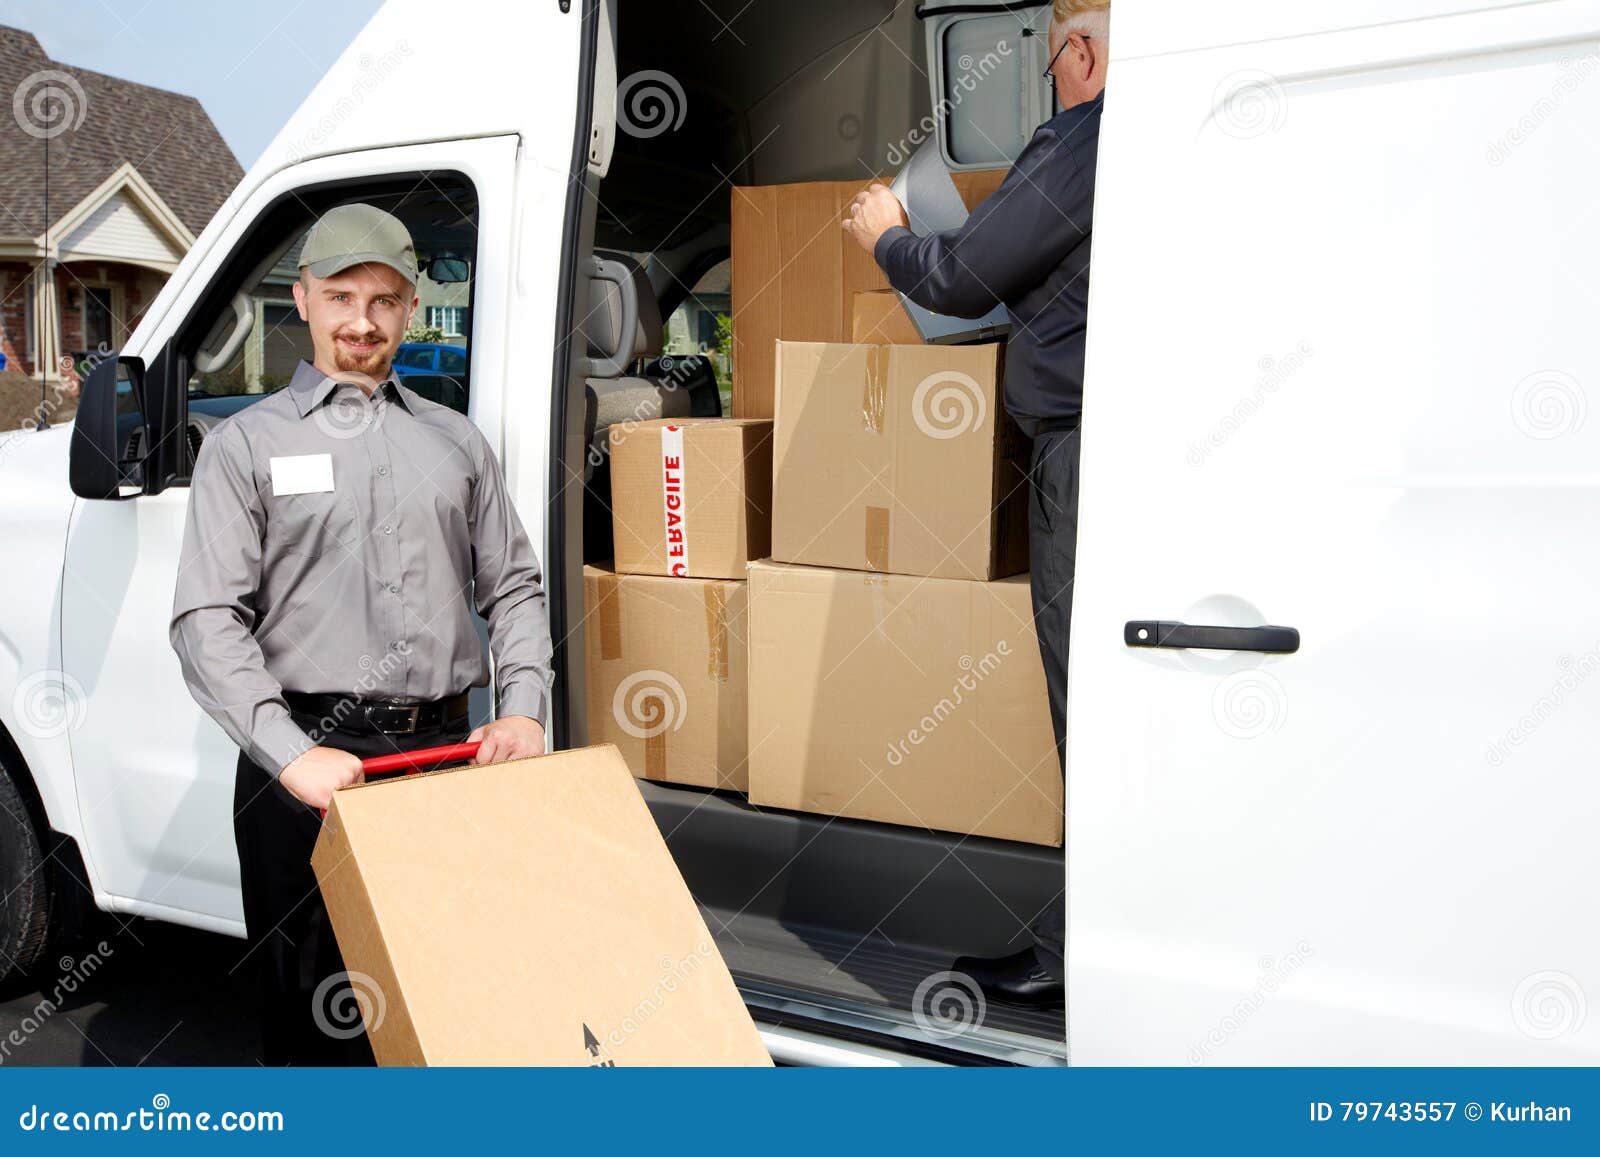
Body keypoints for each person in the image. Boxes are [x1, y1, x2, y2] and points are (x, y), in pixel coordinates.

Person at [169, 203, 554, 1063]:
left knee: (438, 1005)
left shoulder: (456, 443)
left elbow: (517, 586)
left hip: (444, 760)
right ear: (301, 299)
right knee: (314, 1022)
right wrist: (288, 750)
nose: (361, 322)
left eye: (383, 300)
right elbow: (206, 619)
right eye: (340, 296)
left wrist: (522, 707)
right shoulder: (244, 446)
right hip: (307, 767)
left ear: (411, 310)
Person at [842, 0, 1109, 1007]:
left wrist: (887, 235)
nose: (1052, 73)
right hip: (1104, 449)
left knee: (1088, 712)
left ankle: (1081, 957)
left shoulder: (1087, 136)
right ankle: (1083, 941)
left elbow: (958, 278)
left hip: (1082, 457)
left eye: (1053, 54)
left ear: (1074, 49)